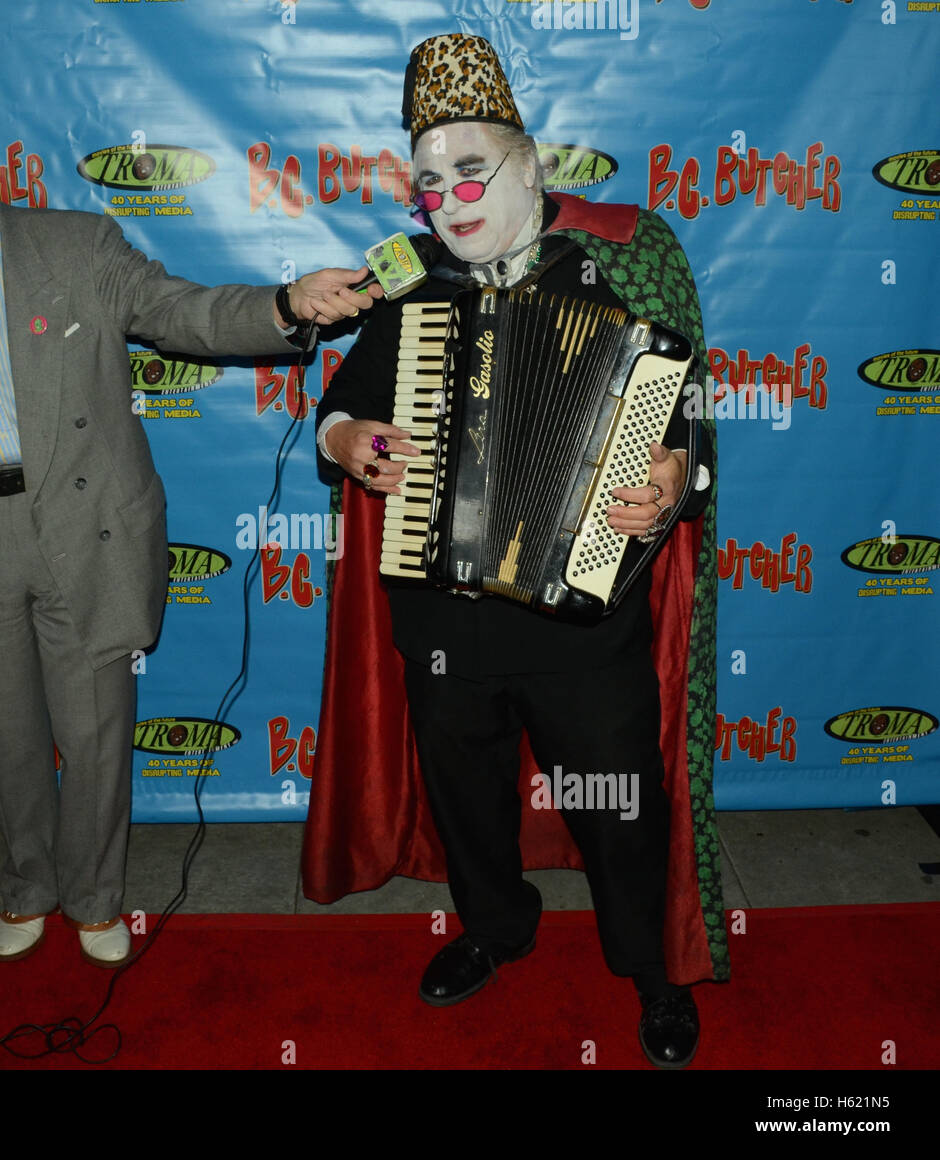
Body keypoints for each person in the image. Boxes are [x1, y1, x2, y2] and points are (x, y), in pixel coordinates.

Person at [0, 84, 379, 968]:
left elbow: (180, 311)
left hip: (80, 523)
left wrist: (285, 307)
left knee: (95, 732)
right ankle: (28, 883)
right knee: (4, 736)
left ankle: (95, 897)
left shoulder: (76, 246)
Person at [305, 34, 727, 1068]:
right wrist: (350, 442)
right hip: (446, 618)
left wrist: (673, 481)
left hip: (585, 612)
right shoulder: (406, 290)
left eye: (469, 170)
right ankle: (495, 923)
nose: (448, 198)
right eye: (426, 182)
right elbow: (339, 414)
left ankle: (651, 969)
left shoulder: (625, 261)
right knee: (468, 794)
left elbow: (693, 417)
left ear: (529, 164)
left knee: (615, 800)